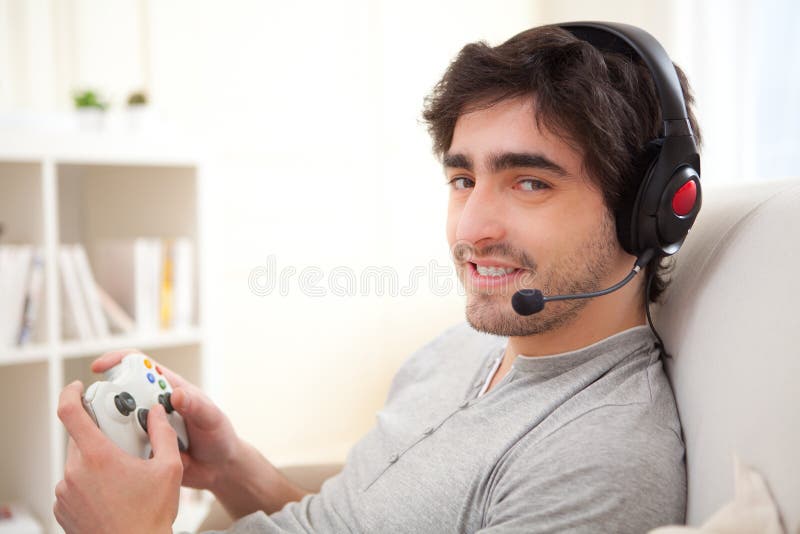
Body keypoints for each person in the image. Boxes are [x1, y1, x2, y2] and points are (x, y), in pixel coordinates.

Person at [54, 22, 701, 533]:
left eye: (529, 182)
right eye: (463, 179)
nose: (470, 228)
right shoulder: (464, 346)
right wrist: (231, 469)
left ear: (646, 209)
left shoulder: (597, 463)